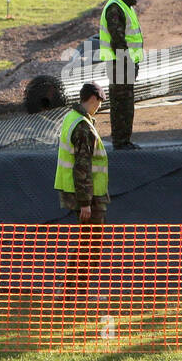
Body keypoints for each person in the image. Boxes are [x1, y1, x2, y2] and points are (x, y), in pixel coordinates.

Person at [54, 83, 110, 296]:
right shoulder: (83, 127)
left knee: (86, 242)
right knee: (91, 244)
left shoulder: (72, 118)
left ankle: (71, 290)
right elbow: (82, 166)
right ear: (93, 99)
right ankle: (77, 291)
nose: (99, 107)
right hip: (87, 195)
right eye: (99, 102)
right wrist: (85, 202)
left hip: (80, 192)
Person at [99, 0, 143, 151]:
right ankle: (120, 142)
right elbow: (118, 40)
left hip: (125, 63)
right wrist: (127, 63)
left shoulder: (125, 5)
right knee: (121, 105)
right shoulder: (115, 8)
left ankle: (124, 141)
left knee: (126, 104)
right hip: (120, 63)